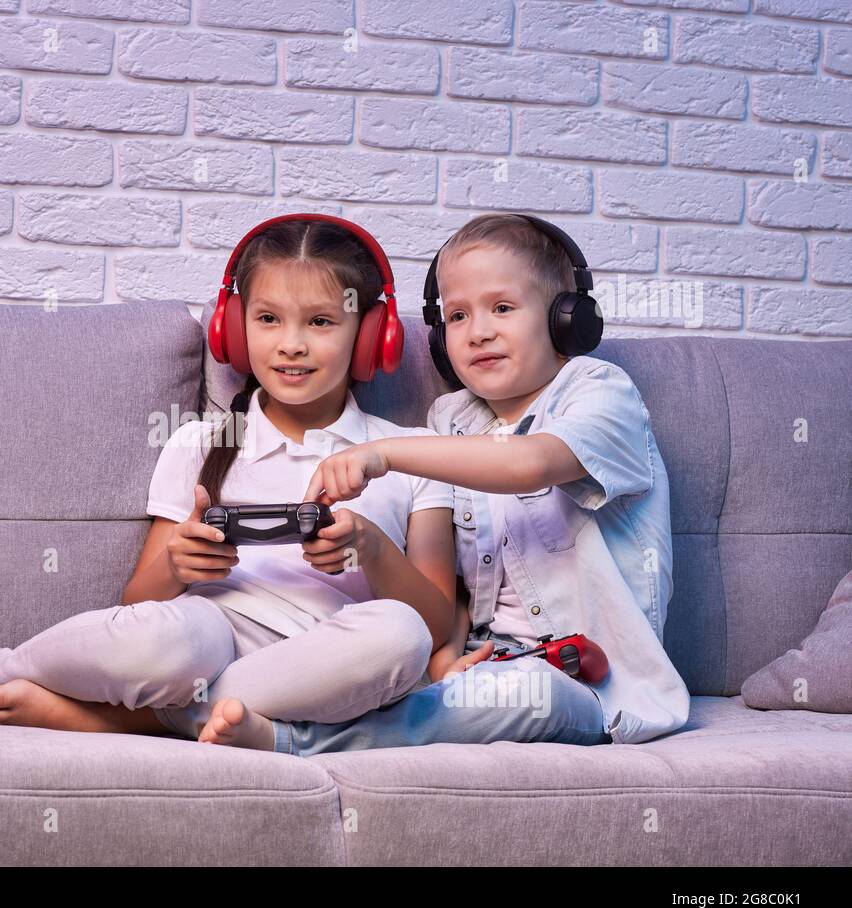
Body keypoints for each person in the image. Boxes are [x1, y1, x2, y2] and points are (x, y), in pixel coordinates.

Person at [0, 215, 458, 752]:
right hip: (210, 633)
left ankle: (68, 705)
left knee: (398, 636)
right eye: (269, 319)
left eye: (321, 321)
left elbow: (431, 626)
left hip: (325, 657)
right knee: (169, 639)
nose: (291, 345)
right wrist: (182, 564)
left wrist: (373, 549)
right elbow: (138, 605)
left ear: (372, 335)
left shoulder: (418, 453)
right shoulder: (200, 442)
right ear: (236, 330)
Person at [204, 213, 692, 754]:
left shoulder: (601, 392)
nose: (478, 331)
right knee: (418, 670)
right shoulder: (450, 419)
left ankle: (290, 739)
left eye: (502, 308)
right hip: (487, 660)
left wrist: (383, 455)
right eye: (458, 316)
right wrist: (445, 661)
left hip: (596, 685)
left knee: (533, 694)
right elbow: (458, 586)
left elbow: (528, 463)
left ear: (566, 321)